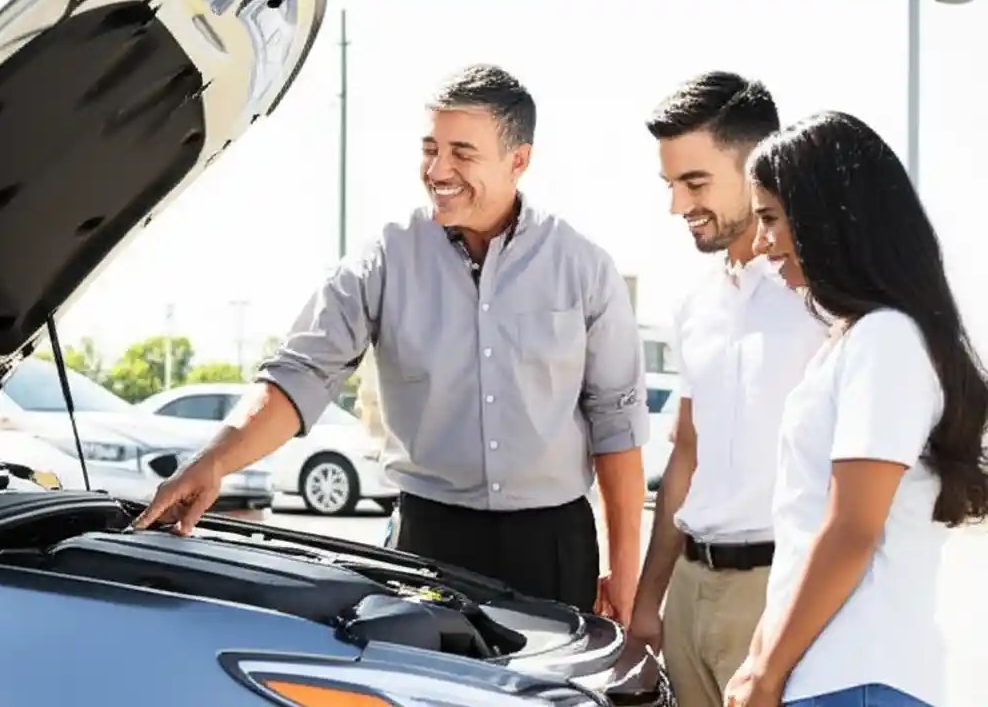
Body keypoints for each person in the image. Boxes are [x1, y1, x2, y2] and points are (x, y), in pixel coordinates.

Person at [134, 64, 649, 621]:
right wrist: (215, 462)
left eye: (462, 153)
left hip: (551, 544)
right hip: (429, 541)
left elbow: (615, 422)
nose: (437, 169)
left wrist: (626, 573)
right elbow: (302, 374)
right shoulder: (385, 259)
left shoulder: (582, 268)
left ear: (518, 161)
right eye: (430, 148)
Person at [722, 111, 988, 707]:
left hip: (857, 679)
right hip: (837, 677)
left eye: (769, 219)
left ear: (825, 219)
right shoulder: (858, 340)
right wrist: (761, 661)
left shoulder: (886, 340)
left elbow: (851, 530)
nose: (761, 245)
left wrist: (767, 673)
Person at [626, 71, 828, 707]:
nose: (678, 205)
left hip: (778, 597)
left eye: (695, 182)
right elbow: (686, 455)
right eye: (670, 185)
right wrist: (648, 604)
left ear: (758, 166)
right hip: (690, 594)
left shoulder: (823, 298)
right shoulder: (695, 304)